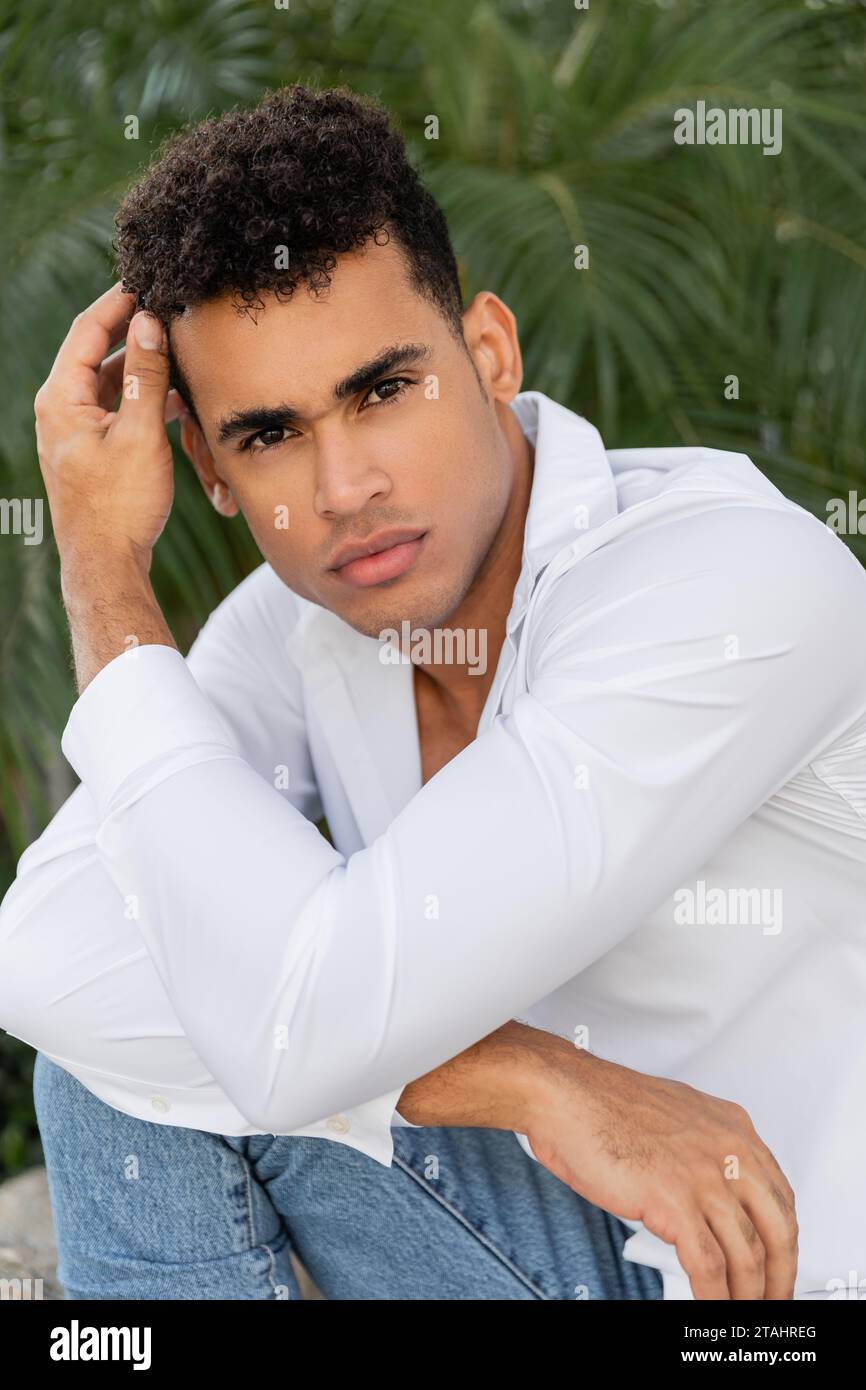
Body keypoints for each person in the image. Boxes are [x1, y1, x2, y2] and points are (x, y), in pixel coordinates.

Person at [2, 84, 864, 1302]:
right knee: (105, 1051)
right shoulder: (296, 628)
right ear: (206, 467)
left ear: (488, 352)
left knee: (212, 1011)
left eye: (381, 390)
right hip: (549, 1235)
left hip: (784, 1288)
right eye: (268, 434)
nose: (343, 485)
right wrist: (533, 1079)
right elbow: (37, 949)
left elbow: (309, 1015)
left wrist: (363, 1044)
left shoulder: (726, 589)